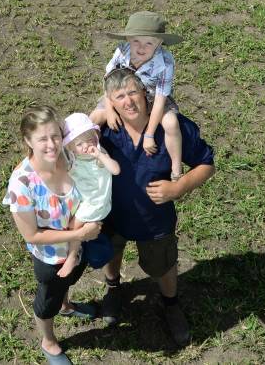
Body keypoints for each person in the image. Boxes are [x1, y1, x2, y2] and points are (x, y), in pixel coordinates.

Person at [97, 68, 216, 347]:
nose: (128, 102)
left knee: (163, 264)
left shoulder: (170, 125)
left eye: (133, 93)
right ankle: (114, 289)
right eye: (120, 96)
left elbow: (206, 164)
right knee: (111, 253)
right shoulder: (104, 128)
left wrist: (179, 187)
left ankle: (171, 304)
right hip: (111, 214)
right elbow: (61, 146)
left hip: (155, 221)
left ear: (145, 93)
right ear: (110, 103)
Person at [3, 106, 103, 365]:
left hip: (76, 248)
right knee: (46, 301)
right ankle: (48, 341)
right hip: (50, 259)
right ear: (28, 141)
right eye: (42, 139)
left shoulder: (68, 157)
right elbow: (32, 235)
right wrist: (82, 232)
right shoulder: (22, 184)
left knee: (69, 281)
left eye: (56, 136)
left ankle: (66, 305)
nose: (52, 144)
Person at [91, 11, 185, 180]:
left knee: (171, 123)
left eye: (149, 43)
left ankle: (176, 170)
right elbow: (108, 80)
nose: (141, 48)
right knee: (94, 119)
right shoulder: (122, 50)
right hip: (122, 92)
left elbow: (159, 100)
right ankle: (91, 156)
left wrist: (149, 134)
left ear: (159, 43)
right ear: (128, 40)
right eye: (136, 41)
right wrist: (110, 109)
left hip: (152, 97)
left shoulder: (165, 62)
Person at [57, 113, 121, 278]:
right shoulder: (74, 157)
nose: (86, 147)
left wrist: (100, 156)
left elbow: (116, 170)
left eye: (90, 140)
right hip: (83, 200)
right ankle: (76, 250)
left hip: (96, 204)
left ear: (96, 137)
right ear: (70, 147)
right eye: (79, 144)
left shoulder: (100, 155)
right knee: (70, 224)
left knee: (73, 227)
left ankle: (72, 256)